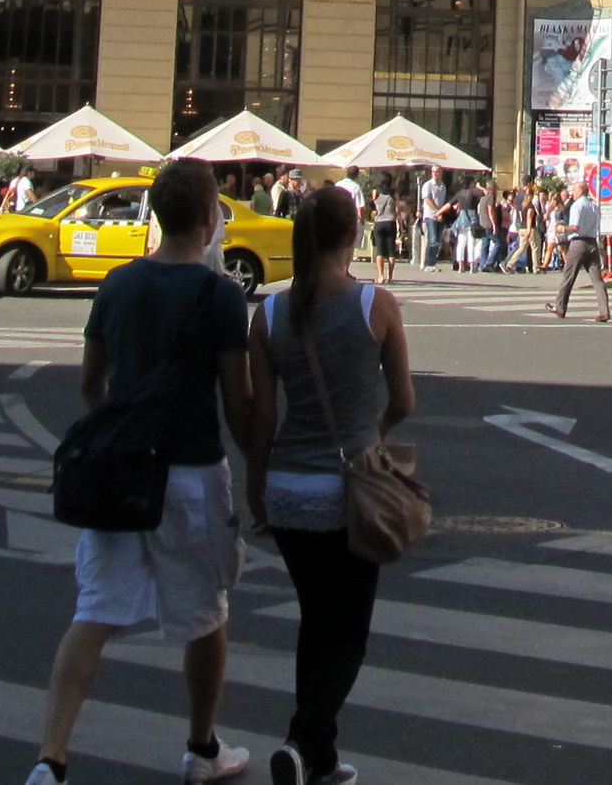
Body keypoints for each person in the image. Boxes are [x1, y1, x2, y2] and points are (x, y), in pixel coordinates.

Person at [27, 158, 256, 785]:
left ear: (156, 213)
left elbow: (88, 383)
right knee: (206, 614)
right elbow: (236, 405)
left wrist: (124, 429)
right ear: (211, 218)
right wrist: (260, 465)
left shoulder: (117, 285)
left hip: (122, 472)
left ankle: (51, 759)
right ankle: (202, 747)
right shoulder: (221, 296)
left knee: (94, 610)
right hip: (191, 470)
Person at [245, 183, 416, 785]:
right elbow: (404, 400)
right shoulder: (377, 304)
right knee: (347, 633)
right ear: (353, 237)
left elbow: (261, 417)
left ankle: (319, 757)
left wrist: (257, 481)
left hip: (289, 488)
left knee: (316, 619)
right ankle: (301, 741)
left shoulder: (266, 313)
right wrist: (373, 432)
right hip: (349, 489)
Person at [546, 178, 608, 322]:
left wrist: (562, 228)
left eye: (574, 190)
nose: (572, 193)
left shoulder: (577, 206)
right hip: (592, 243)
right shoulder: (594, 206)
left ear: (580, 191)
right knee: (597, 280)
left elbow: (575, 227)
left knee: (569, 276)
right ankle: (604, 311)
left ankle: (560, 307)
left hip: (578, 243)